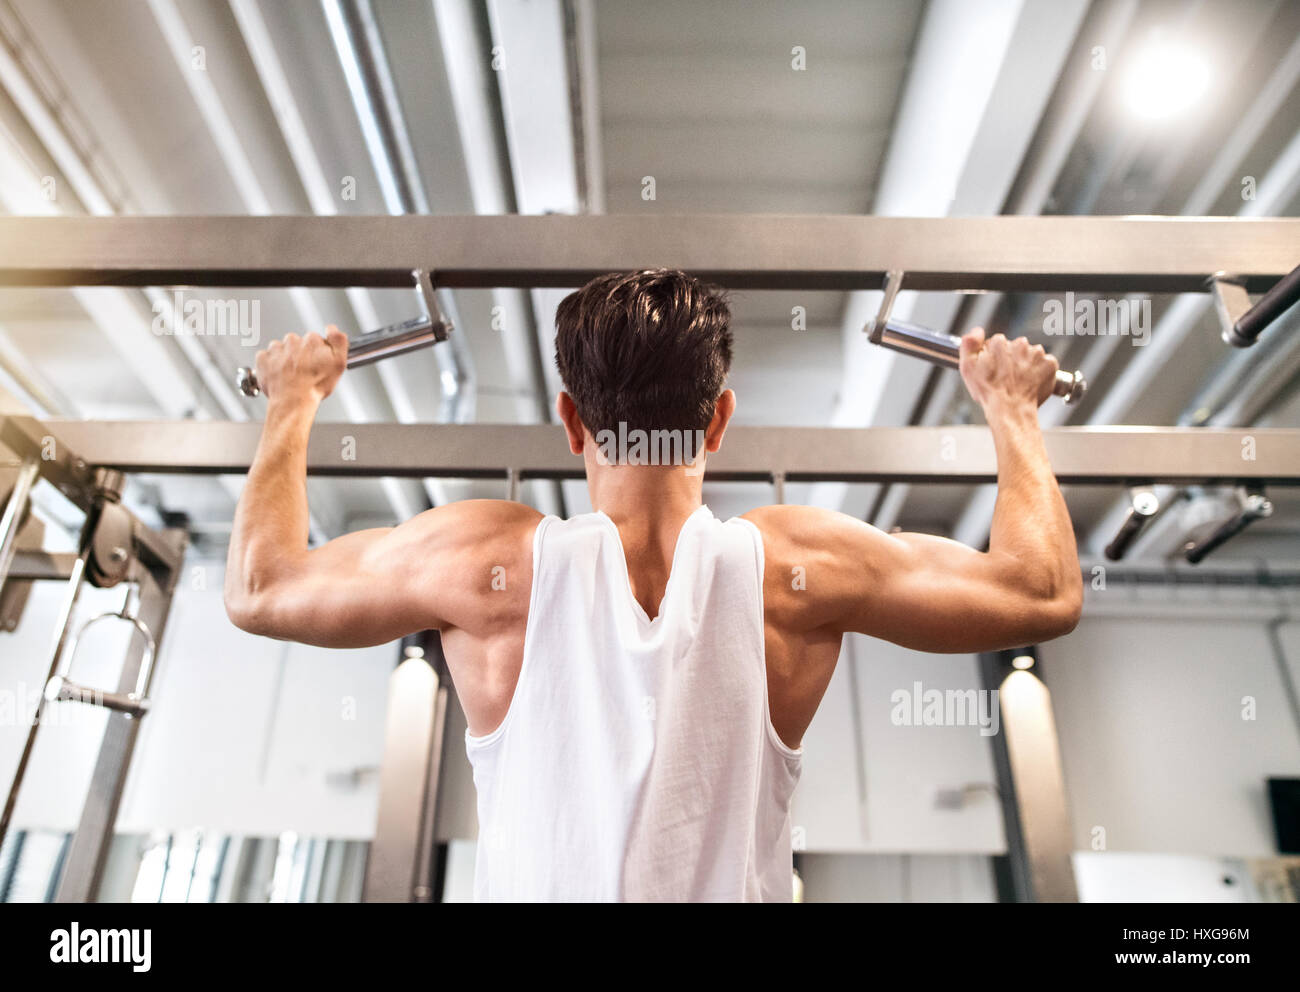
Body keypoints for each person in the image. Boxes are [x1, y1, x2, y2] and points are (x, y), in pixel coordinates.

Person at [225, 268, 1081, 901]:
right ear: (718, 418)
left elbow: (261, 586)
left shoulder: (487, 562)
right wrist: (1012, 410)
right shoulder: (798, 569)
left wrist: (292, 400)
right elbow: (1041, 592)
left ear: (571, 421)